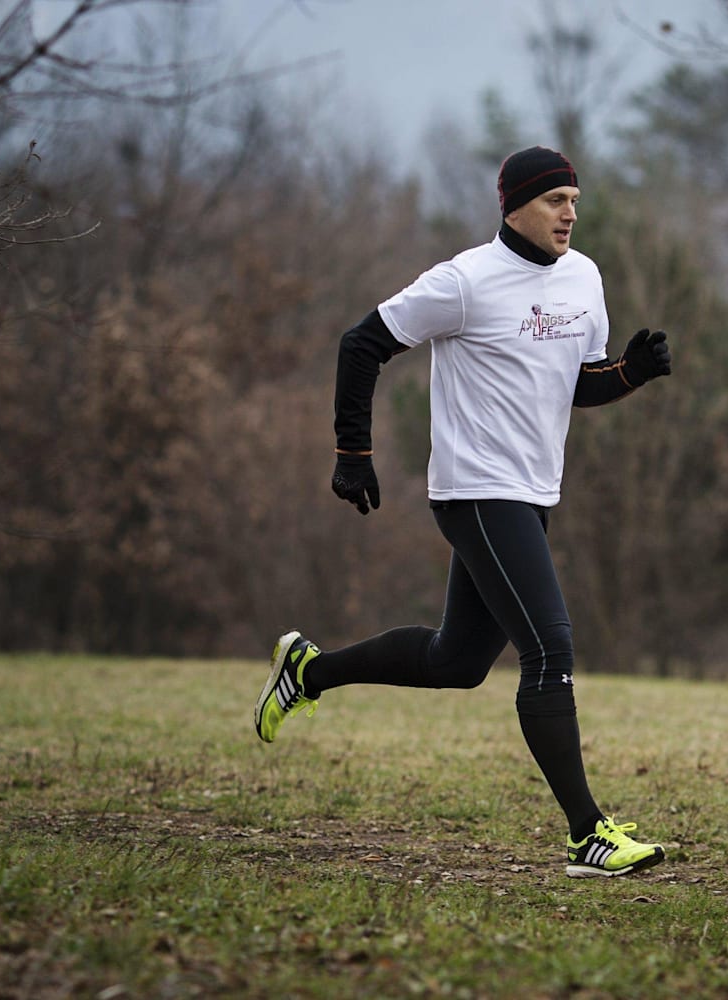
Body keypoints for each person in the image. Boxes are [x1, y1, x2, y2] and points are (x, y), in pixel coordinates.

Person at [253, 146, 672, 878]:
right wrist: (354, 453)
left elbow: (575, 383)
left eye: (575, 199)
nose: (570, 212)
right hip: (476, 490)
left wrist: (629, 373)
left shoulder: (585, 277)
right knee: (549, 650)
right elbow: (362, 345)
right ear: (513, 206)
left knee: (458, 662)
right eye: (554, 200)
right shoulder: (465, 281)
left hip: (534, 492)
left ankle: (308, 672)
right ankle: (587, 835)